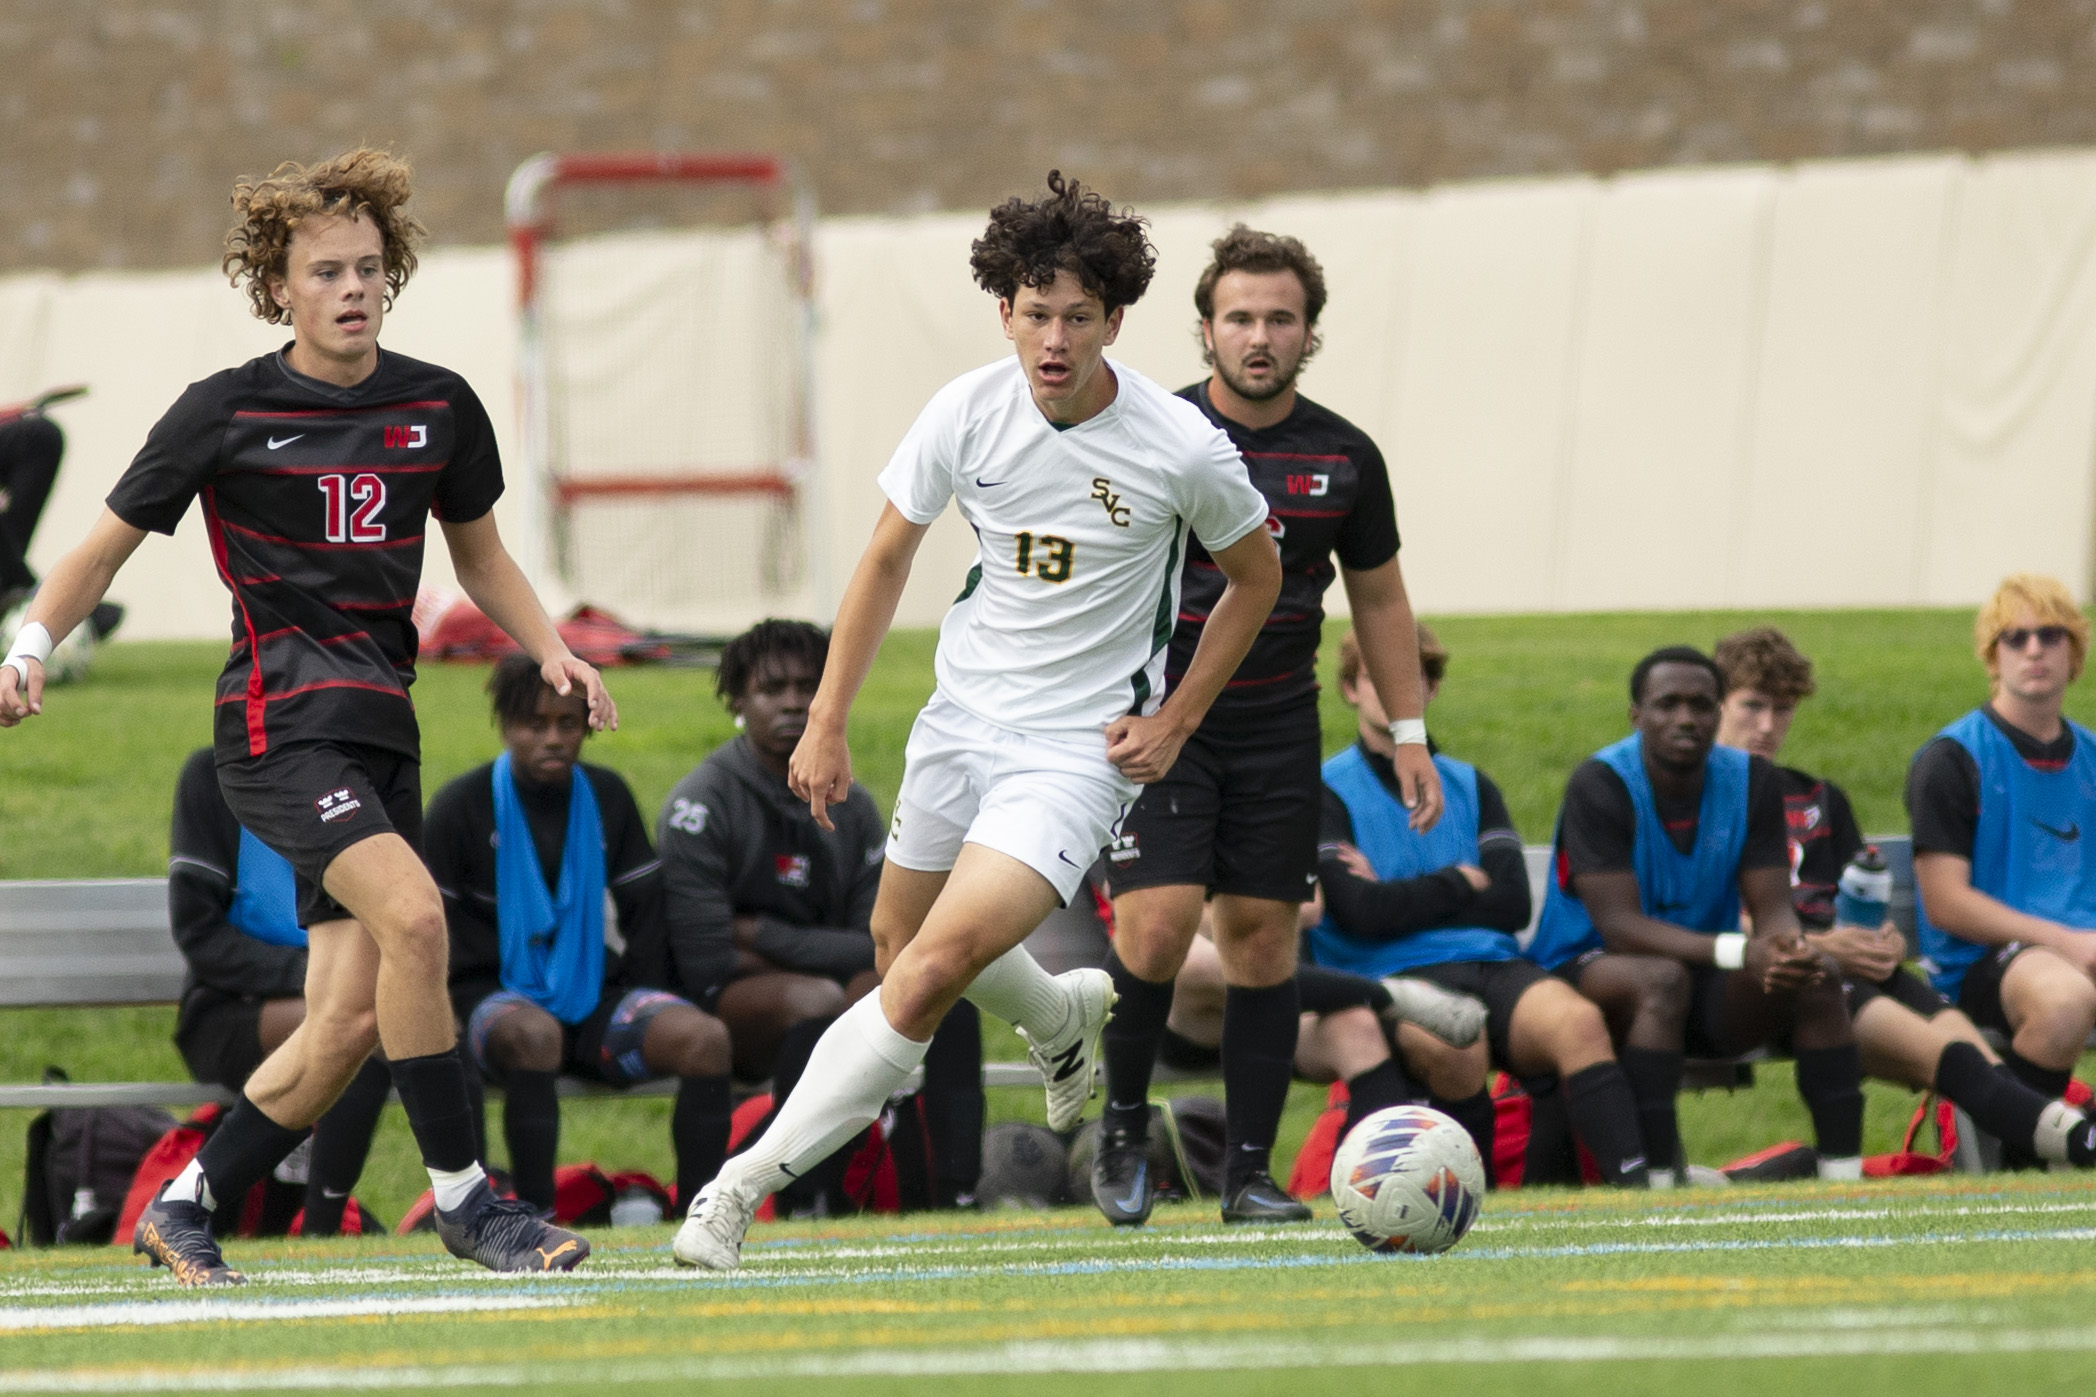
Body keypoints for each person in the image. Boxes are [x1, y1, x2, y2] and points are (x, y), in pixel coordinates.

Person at [0, 150, 605, 1283]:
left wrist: (553, 649)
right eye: (326, 271)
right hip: (279, 729)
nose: (353, 288)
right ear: (279, 287)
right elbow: (99, 546)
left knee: (349, 1021)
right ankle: (469, 1202)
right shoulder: (225, 408)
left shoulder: (437, 404)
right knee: (418, 923)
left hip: (383, 732)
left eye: (370, 268)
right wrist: (31, 642)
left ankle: (184, 1203)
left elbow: (481, 558)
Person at [673, 171, 1281, 1269]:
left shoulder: (1178, 445)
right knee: (897, 942)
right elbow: (884, 556)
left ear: (1115, 321)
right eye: (1033, 312)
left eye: (1077, 317)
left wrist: (1179, 718)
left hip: (1074, 753)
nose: (1052, 339)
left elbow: (1255, 576)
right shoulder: (965, 408)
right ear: (1002, 307)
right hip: (959, 723)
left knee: (927, 966)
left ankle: (734, 1189)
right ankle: (1057, 1020)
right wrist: (825, 719)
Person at [1095, 226, 1444, 1226]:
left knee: (1260, 941)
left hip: (1276, 729)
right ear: (1203, 329)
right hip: (1159, 729)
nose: (1258, 334)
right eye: (1238, 316)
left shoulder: (1343, 455)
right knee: (1155, 928)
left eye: (1278, 317)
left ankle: (1245, 1174)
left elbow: (1378, 600)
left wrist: (1409, 733)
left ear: (1307, 333)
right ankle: (1121, 1131)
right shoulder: (1147, 430)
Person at [1718, 626, 2096, 1170]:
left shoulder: (1819, 797)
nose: (1767, 726)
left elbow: (1860, 895)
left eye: (1783, 710)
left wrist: (1884, 938)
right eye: (1752, 706)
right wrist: (1831, 945)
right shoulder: (1706, 799)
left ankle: (2036, 1148)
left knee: (1975, 1056)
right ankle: (2073, 1141)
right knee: (1951, 1059)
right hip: (1787, 975)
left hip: (1859, 967)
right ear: (1718, 704)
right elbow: (1718, 921)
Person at [657, 619, 983, 1208]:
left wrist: (760, 933)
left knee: (936, 988)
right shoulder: (700, 803)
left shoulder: (852, 804)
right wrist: (809, 952)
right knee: (817, 1005)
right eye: (770, 688)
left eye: (808, 686)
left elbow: (878, 940)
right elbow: (707, 958)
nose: (792, 703)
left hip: (826, 983)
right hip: (730, 1004)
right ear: (736, 699)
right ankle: (801, 1195)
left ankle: (957, 1189)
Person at [1312, 625, 1650, 1186]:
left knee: (1580, 1023)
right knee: (1457, 1046)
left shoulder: (1471, 785)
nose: (1396, 692)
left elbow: (1512, 904)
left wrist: (1402, 894)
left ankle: (1639, 1195)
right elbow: (1358, 913)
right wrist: (1460, 882)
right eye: (1377, 678)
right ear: (1350, 689)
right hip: (1390, 974)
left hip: (1492, 965)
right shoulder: (1325, 789)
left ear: (1432, 689)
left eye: (1413, 678)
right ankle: (1479, 1204)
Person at [1527, 646, 1866, 1181]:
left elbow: (1773, 906)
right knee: (1660, 980)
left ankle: (1844, 1179)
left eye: (1701, 705)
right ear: (1636, 715)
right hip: (1587, 970)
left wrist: (1786, 949)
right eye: (1668, 704)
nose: (1686, 717)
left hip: (1698, 975)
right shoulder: (1600, 783)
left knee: (1817, 978)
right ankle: (1661, 1182)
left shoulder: (1752, 780)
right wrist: (1738, 950)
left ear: (1717, 712)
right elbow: (1620, 926)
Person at [425, 655, 731, 1213]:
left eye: (568, 724)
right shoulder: (459, 807)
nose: (553, 738)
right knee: (537, 1034)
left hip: (593, 1000)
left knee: (705, 1039)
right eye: (533, 724)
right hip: (489, 1004)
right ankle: (534, 1216)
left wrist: (647, 999)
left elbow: (646, 915)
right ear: (505, 725)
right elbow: (429, 940)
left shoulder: (608, 797)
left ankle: (704, 1214)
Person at [167, 747, 391, 1236]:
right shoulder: (210, 776)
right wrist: (313, 974)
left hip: (332, 990)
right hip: (227, 1011)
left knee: (426, 1028)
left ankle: (485, 1208)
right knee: (360, 1026)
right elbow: (199, 933)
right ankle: (319, 1227)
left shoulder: (345, 778)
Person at [1909, 575, 2096, 1153]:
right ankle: (2021, 1162)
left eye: (2049, 634)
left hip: (2081, 946)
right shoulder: (1952, 758)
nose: (2034, 650)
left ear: (2074, 652)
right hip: (1983, 963)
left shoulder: (2090, 756)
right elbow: (1946, 903)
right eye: (2014, 638)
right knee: (2064, 1002)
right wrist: (2068, 941)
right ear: (1993, 658)